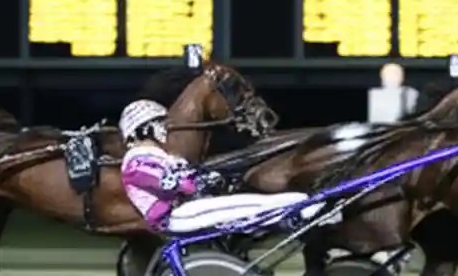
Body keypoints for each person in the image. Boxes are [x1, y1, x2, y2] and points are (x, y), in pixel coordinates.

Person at [118, 99, 324, 234]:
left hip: (185, 208)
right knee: (245, 207)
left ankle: (306, 206)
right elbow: (175, 183)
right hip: (174, 216)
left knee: (256, 202)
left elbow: (185, 174)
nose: (165, 128)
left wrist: (210, 175)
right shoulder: (137, 163)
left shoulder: (161, 157)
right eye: (159, 124)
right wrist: (202, 179)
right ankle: (304, 214)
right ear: (144, 129)